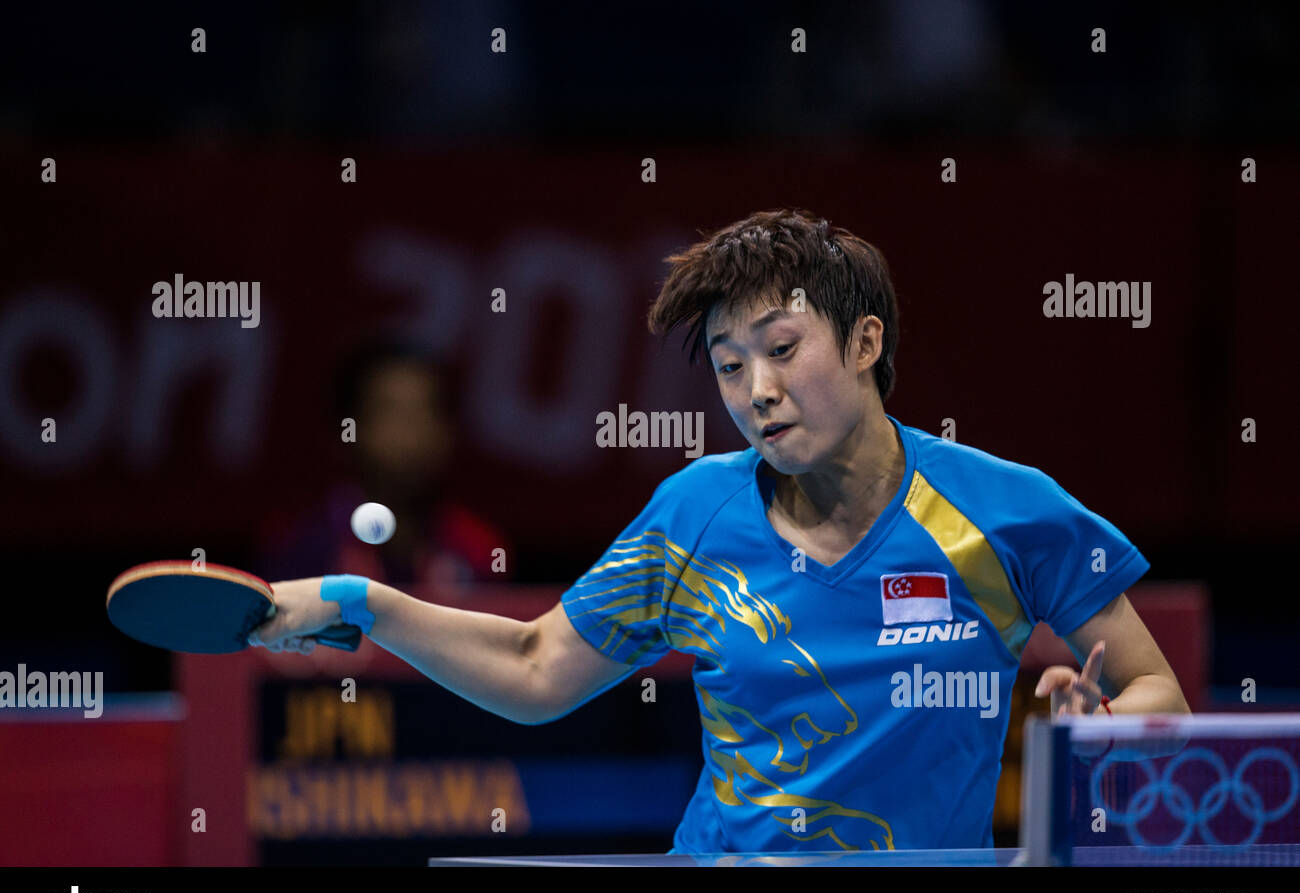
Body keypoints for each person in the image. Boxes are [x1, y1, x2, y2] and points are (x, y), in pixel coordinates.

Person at [250, 209, 1189, 854]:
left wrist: (1099, 737)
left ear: (865, 345)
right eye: (731, 367)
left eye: (782, 350)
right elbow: (538, 667)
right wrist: (358, 602)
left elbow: (1160, 691)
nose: (757, 392)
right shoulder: (695, 513)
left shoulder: (1007, 511)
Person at [257, 343, 510, 588]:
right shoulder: (302, 547)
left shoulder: (479, 549)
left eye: (427, 412)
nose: (412, 434)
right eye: (392, 414)